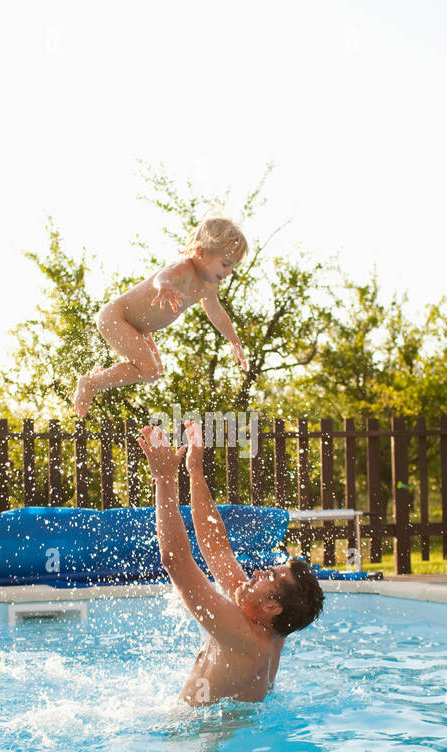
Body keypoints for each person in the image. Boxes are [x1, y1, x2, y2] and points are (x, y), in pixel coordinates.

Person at [134, 420, 324, 706]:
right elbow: (218, 549)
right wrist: (194, 471)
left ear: (273, 607)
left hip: (206, 745)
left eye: (269, 575)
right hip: (225, 732)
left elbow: (175, 561)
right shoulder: (264, 618)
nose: (258, 571)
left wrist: (163, 480)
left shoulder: (245, 637)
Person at [74, 218, 249, 417]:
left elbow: (215, 312)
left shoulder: (209, 286)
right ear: (201, 252)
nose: (228, 272)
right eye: (225, 264)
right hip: (117, 317)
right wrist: (164, 286)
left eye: (232, 266)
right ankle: (90, 383)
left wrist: (233, 339)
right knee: (148, 369)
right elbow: (161, 277)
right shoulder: (184, 268)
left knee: (154, 373)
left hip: (137, 327)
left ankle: (99, 379)